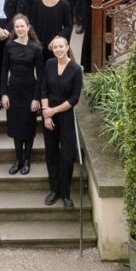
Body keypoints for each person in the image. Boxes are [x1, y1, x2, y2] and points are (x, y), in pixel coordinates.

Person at [38, 36, 83, 208]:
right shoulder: (49, 64)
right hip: (48, 114)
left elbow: (74, 99)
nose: (58, 49)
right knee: (51, 153)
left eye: (61, 46)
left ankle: (65, 193)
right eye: (55, 47)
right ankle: (54, 190)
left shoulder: (76, 69)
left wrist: (53, 111)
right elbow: (43, 89)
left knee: (66, 156)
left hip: (65, 115)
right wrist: (46, 114)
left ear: (67, 47)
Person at [0, 13, 43, 175]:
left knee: (28, 128)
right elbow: (4, 70)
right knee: (16, 127)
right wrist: (3, 94)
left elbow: (40, 75)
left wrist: (37, 98)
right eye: (16, 26)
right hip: (13, 92)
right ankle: (18, 159)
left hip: (30, 92)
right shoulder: (9, 46)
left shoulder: (36, 48)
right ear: (14, 28)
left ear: (28, 27)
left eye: (22, 26)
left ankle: (27, 160)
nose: (19, 29)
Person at [27, 0, 73, 69]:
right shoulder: (37, 1)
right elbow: (32, 24)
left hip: (56, 46)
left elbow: (68, 26)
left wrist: (57, 39)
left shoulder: (64, 3)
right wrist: (35, 42)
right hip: (39, 43)